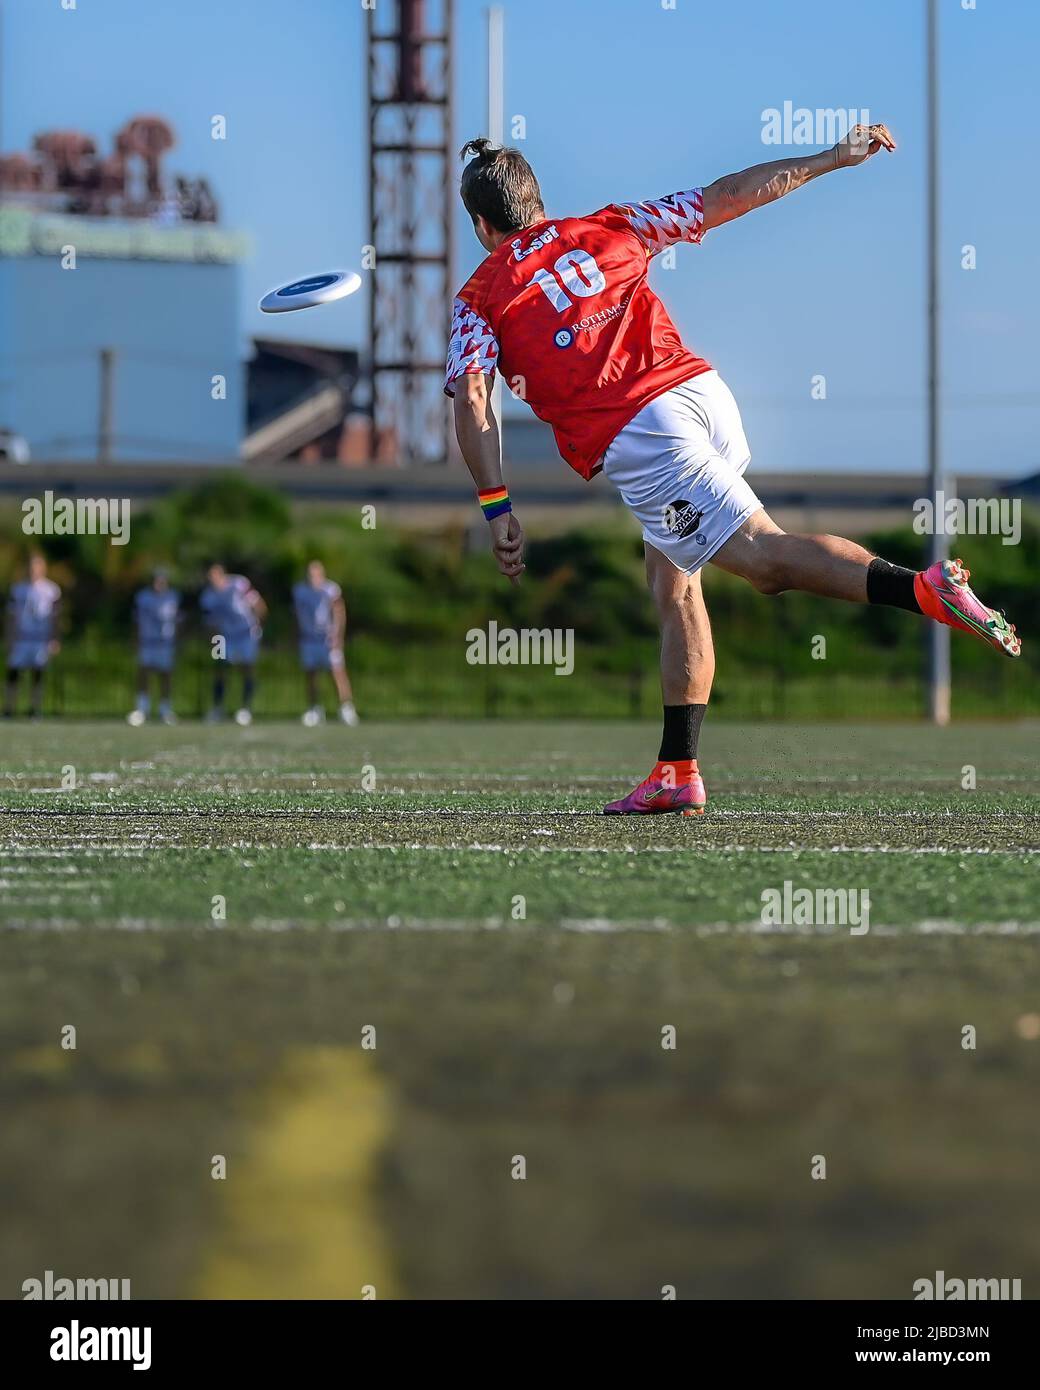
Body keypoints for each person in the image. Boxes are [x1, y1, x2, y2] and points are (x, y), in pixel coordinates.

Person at [445, 130, 1021, 816]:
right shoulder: (611, 224)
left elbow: (475, 400)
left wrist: (496, 506)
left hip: (646, 433)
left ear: (482, 225)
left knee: (766, 562)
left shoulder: (480, 296)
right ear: (538, 202)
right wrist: (828, 159)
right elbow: (726, 196)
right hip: (704, 396)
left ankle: (921, 589)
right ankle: (676, 770)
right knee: (670, 580)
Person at [292, 560, 359, 726]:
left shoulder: (330, 589)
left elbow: (339, 612)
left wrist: (338, 636)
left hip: (327, 639)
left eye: (316, 574)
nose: (313, 577)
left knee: (337, 672)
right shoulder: (300, 590)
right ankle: (315, 708)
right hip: (309, 638)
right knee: (311, 674)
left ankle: (346, 708)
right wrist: (295, 634)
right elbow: (297, 614)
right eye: (310, 573)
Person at [199, 564, 266, 726]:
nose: (213, 581)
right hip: (224, 637)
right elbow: (210, 624)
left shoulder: (239, 584)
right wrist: (214, 641)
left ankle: (246, 708)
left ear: (223, 575)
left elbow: (259, 605)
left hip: (246, 633)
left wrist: (258, 626)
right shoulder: (207, 597)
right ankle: (217, 708)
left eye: (216, 576)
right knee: (220, 668)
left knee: (247, 667)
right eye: (210, 578)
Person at [4, 554, 61, 718]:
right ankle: (9, 708)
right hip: (21, 638)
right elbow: (11, 616)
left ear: (43, 568)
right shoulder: (17, 589)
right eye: (30, 566)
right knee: (13, 673)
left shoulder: (52, 590)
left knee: (38, 675)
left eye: (36, 566)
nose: (33, 570)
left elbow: (56, 617)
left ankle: (35, 709)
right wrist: (9, 637)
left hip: (40, 639)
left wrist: (55, 638)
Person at [127, 569, 180, 726]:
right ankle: (142, 708)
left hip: (165, 642)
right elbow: (136, 620)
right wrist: (135, 640)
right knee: (144, 672)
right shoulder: (143, 597)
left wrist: (179, 640)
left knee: (166, 675)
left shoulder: (173, 597)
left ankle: (165, 709)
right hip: (147, 641)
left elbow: (178, 620)